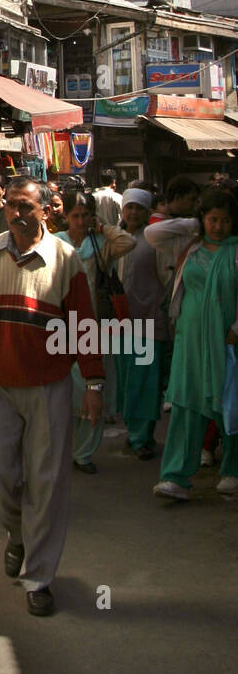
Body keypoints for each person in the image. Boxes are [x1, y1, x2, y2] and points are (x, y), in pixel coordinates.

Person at [0, 178, 102, 617]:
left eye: (27, 207)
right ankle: (17, 535)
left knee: (48, 485)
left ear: (44, 211)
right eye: (12, 206)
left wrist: (93, 383)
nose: (18, 213)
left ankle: (39, 578)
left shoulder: (65, 259)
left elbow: (84, 325)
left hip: (50, 386)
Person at [146, 187, 238, 500]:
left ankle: (232, 471)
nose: (218, 226)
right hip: (190, 340)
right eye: (212, 219)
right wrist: (191, 224)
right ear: (203, 219)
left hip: (227, 342)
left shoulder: (236, 250)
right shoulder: (190, 247)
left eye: (225, 220)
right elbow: (152, 233)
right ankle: (175, 477)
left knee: (230, 405)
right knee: (186, 405)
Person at [56, 188, 135, 473]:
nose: (80, 220)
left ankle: (84, 453)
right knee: (66, 390)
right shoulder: (56, 243)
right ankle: (65, 449)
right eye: (75, 215)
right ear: (65, 216)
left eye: (85, 215)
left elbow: (128, 242)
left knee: (96, 384)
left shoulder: (101, 242)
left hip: (97, 322)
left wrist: (101, 226)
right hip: (62, 324)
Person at [113, 188, 169, 460]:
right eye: (129, 207)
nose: (133, 212)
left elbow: (166, 281)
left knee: (146, 382)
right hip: (120, 325)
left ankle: (142, 437)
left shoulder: (154, 240)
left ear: (147, 212)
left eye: (139, 208)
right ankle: (133, 433)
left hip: (148, 322)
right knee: (126, 380)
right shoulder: (112, 237)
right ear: (122, 210)